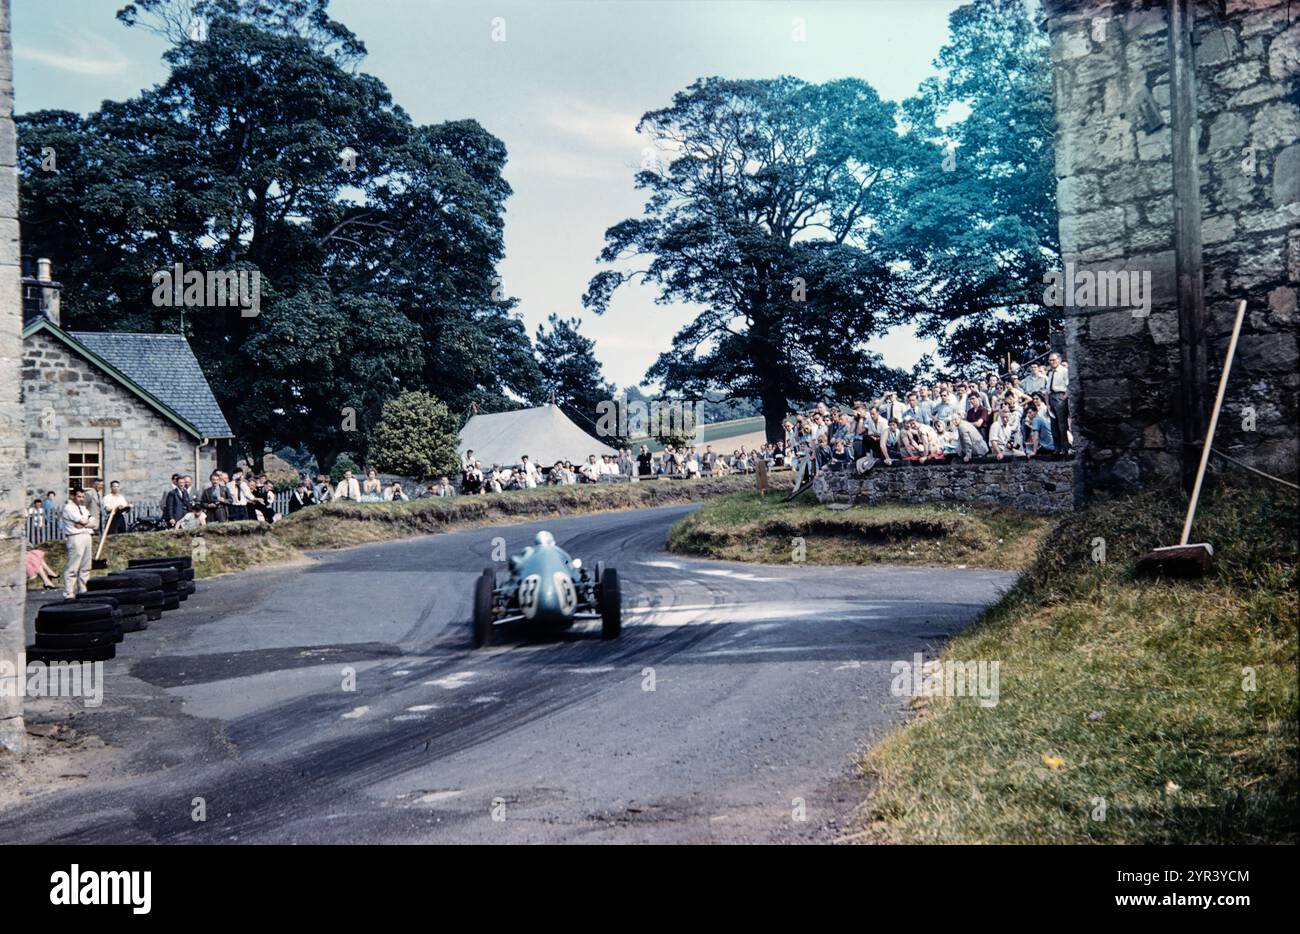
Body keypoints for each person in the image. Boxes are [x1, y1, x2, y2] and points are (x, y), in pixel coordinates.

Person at [62, 488, 95, 598]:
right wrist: (85, 522)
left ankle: (83, 590)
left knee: (86, 566)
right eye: (79, 496)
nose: (81, 499)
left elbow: (93, 523)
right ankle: (69, 593)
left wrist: (84, 524)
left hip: (86, 536)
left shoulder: (83, 508)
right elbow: (82, 521)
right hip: (75, 537)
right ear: (72, 496)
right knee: (73, 566)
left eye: (82, 497)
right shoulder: (68, 508)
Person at [1045, 352, 1071, 456]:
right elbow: (1048, 388)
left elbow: (1069, 385)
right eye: (1050, 360)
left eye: (1053, 360)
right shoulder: (1050, 372)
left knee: (1062, 425)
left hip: (1060, 396)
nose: (1051, 362)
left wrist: (1064, 397)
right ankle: (1057, 448)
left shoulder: (1064, 371)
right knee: (1053, 425)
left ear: (1059, 360)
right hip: (1051, 397)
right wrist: (1047, 401)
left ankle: (1065, 448)